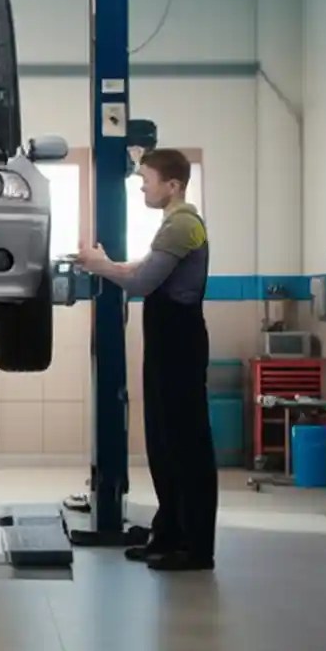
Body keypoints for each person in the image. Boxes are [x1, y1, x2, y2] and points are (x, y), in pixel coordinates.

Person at [76, 147, 217, 572]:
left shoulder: (183, 225)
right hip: (167, 340)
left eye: (146, 180)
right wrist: (107, 265)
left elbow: (141, 281)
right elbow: (145, 268)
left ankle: (195, 547)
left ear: (172, 185)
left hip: (180, 342)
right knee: (162, 440)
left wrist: (101, 266)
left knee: (185, 444)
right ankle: (169, 534)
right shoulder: (171, 226)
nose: (141, 187)